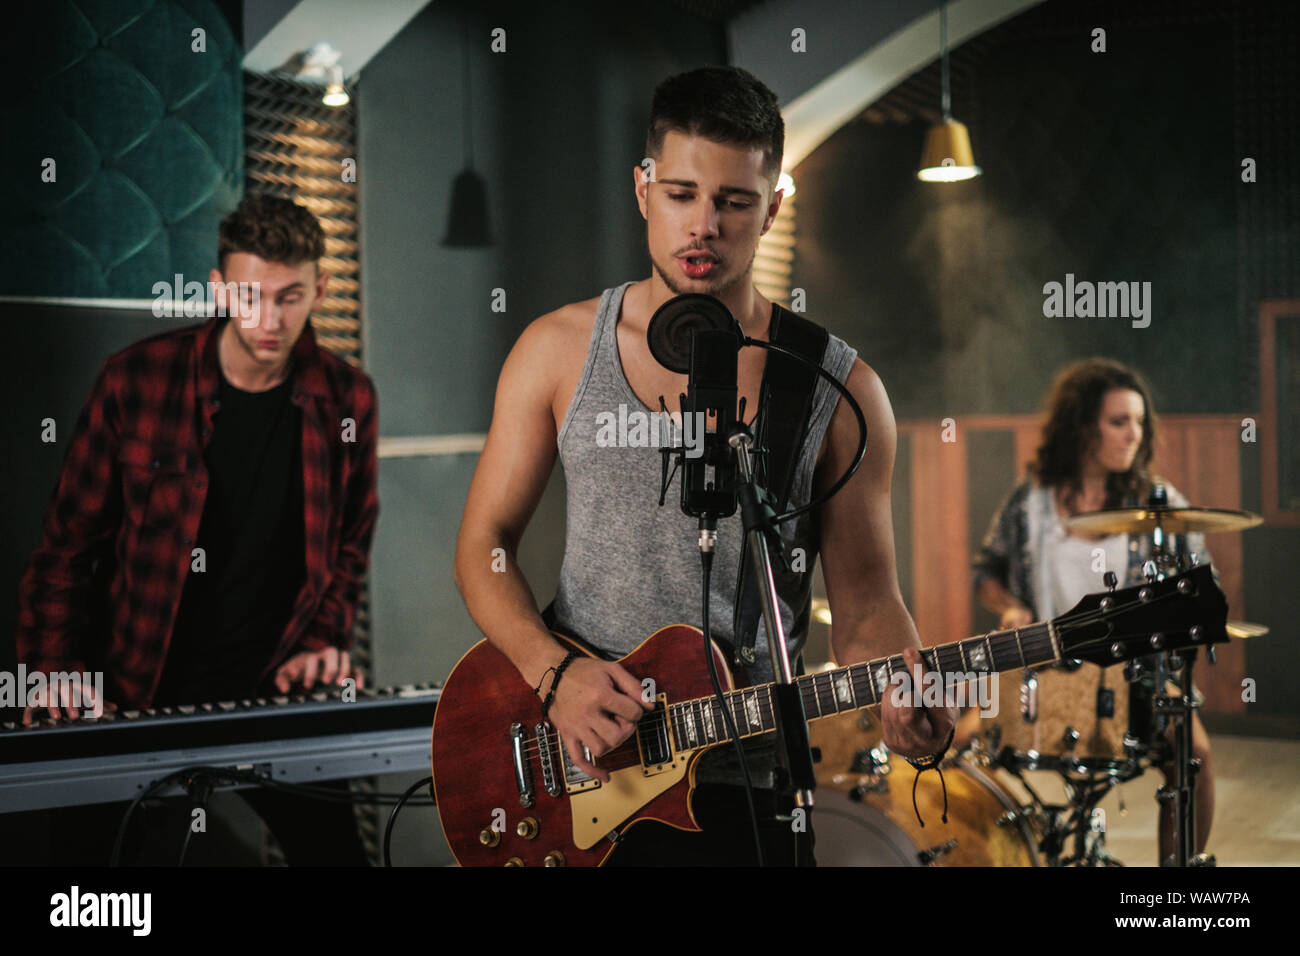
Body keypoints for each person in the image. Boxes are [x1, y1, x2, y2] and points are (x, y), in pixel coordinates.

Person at [453, 65, 954, 866]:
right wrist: (555, 678)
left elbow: (865, 609)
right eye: (682, 194)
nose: (704, 226)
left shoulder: (840, 389)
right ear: (644, 191)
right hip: (574, 764)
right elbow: (485, 542)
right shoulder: (555, 350)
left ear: (774, 207)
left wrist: (903, 696)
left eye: (734, 201)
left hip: (749, 786)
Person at [15, 194, 378, 865]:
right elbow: (66, 549)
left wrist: (324, 639)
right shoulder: (136, 380)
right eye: (249, 295)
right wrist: (51, 669)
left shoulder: (348, 397)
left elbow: (350, 544)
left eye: (291, 296)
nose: (269, 320)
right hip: (136, 685)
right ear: (217, 288)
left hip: (272, 693)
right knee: (98, 890)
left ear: (321, 289)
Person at [968, 357, 1215, 863]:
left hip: (1133, 677)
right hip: (1043, 671)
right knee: (958, 745)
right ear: (1083, 427)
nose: (1133, 435)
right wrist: (1011, 607)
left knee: (1196, 755)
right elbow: (985, 572)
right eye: (1118, 421)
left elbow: (1201, 591)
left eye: (1139, 422)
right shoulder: (1031, 500)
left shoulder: (1161, 504)